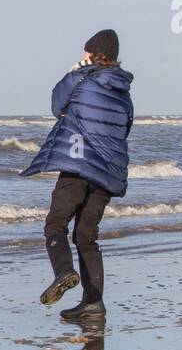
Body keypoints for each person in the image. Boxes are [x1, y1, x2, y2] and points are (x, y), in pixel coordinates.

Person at [22, 29, 134, 320]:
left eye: (86, 52)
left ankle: (63, 272)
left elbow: (57, 106)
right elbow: (124, 130)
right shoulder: (124, 94)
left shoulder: (82, 80)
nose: (83, 56)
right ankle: (93, 302)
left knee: (55, 224)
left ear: (93, 54)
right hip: (109, 171)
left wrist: (73, 73)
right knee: (86, 236)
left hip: (78, 163)